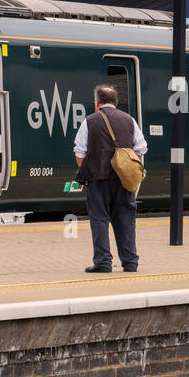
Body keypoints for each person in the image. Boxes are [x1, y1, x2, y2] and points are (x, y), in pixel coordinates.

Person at [74, 84, 147, 273]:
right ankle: (130, 262)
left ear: (97, 102)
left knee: (99, 220)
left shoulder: (89, 121)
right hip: (124, 180)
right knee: (126, 220)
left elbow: (80, 152)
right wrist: (129, 171)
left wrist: (88, 170)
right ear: (116, 102)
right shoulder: (129, 120)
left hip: (98, 181)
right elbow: (140, 149)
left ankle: (103, 262)